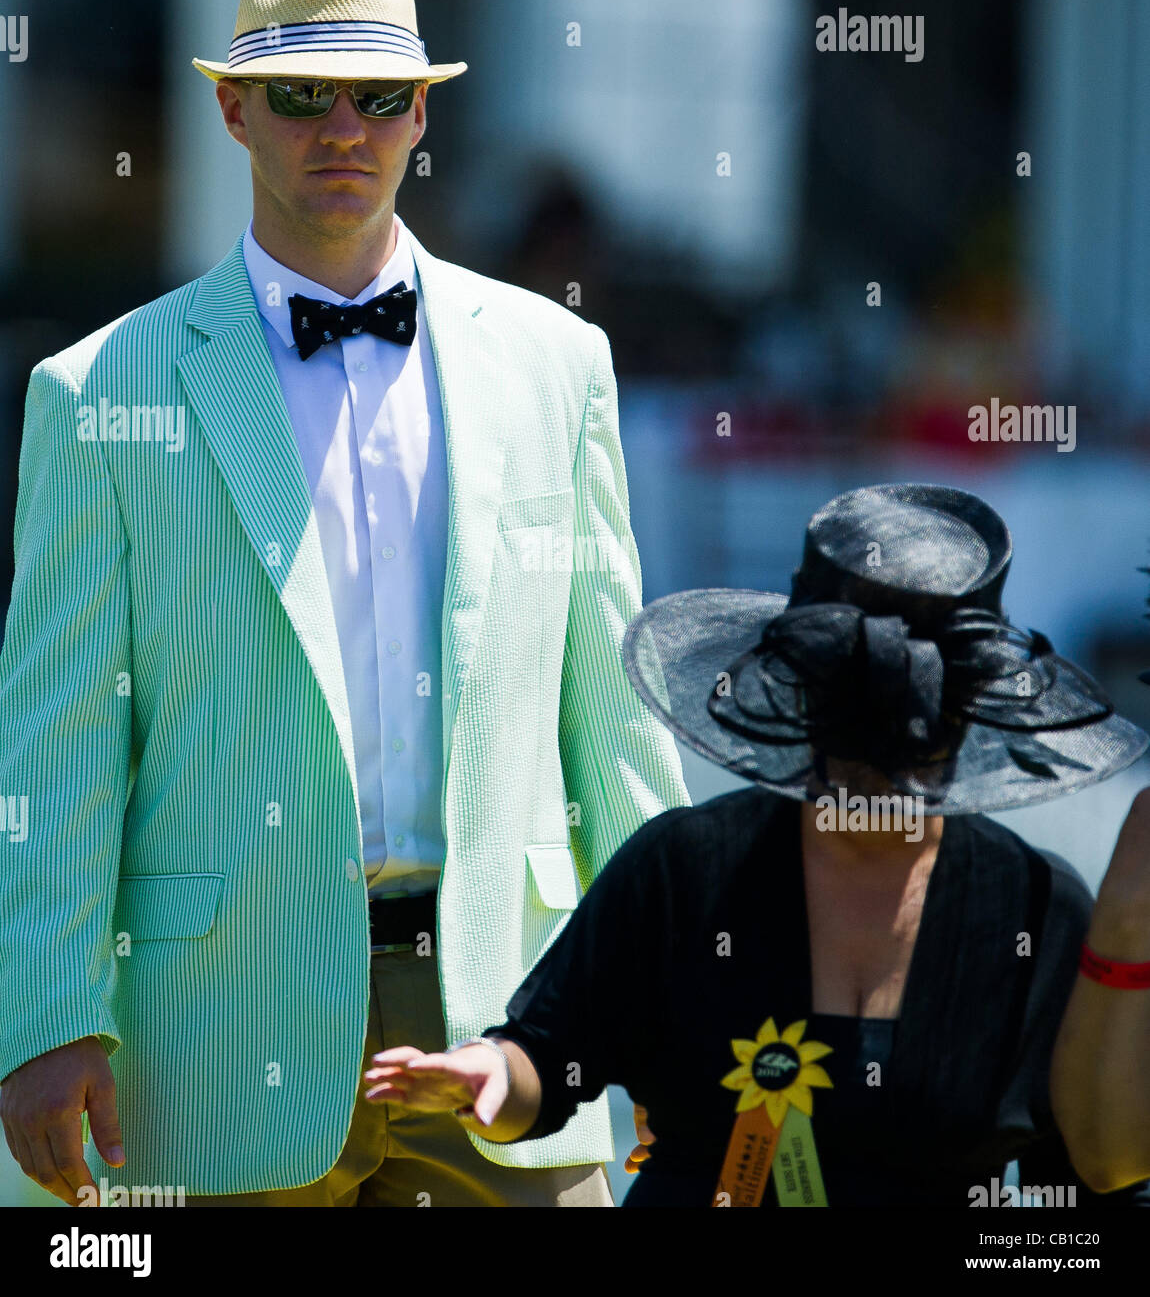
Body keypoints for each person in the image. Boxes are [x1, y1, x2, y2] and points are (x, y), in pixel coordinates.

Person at [0, 0, 688, 1208]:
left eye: (378, 96)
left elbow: (614, 724)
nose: (342, 127)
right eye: (301, 94)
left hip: (513, 1022)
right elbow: (56, 739)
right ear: (232, 108)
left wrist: (685, 1002)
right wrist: (46, 1013)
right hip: (210, 1028)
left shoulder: (555, 363)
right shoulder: (97, 391)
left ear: (422, 112)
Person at [365, 482, 1150, 1206]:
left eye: (900, 730)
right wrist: (489, 1078)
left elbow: (1086, 1191)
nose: (873, 783)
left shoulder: (1035, 910)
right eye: (857, 725)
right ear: (802, 704)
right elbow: (546, 1059)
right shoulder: (685, 868)